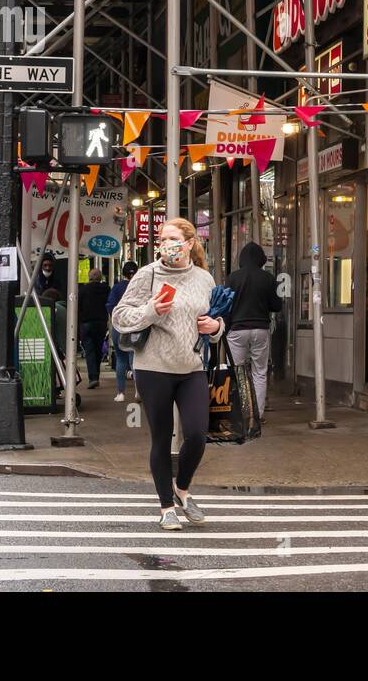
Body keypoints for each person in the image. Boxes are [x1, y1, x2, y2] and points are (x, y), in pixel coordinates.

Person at [111, 218, 224, 531]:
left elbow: (215, 320)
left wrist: (216, 328)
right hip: (154, 367)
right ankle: (166, 508)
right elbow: (120, 317)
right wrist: (151, 310)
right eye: (162, 239)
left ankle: (182, 490)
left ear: (189, 243)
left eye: (173, 239)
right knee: (161, 438)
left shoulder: (204, 278)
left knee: (198, 434)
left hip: (192, 368)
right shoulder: (147, 275)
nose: (166, 244)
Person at [224, 241, 283, 418]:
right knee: (260, 372)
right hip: (260, 329)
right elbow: (276, 306)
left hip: (237, 330)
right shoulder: (268, 278)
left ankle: (240, 412)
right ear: (261, 259)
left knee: (237, 372)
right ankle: (256, 415)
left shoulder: (233, 278)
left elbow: (226, 305)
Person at [106, 261, 138, 402]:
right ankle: (139, 392)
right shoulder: (139, 287)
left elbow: (110, 305)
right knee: (135, 360)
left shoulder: (117, 288)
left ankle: (121, 393)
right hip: (135, 326)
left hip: (119, 327)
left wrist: (117, 319)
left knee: (120, 359)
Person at [78, 268, 111, 389]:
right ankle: (96, 375)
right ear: (100, 278)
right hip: (101, 323)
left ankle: (93, 377)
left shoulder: (83, 290)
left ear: (89, 277)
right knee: (98, 349)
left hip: (86, 323)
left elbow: (78, 306)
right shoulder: (106, 289)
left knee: (89, 351)